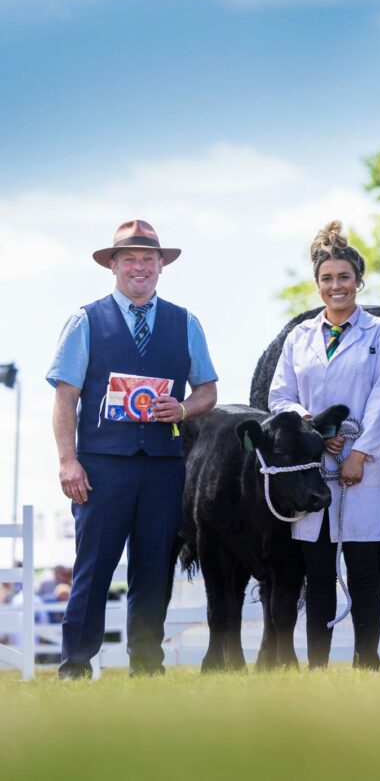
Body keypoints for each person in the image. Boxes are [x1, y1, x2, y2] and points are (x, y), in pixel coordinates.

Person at [47, 219, 218, 679]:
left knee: (153, 571)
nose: (139, 267)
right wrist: (68, 461)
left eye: (148, 258)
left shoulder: (186, 322)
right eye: (129, 259)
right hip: (101, 468)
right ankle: (74, 669)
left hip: (163, 467)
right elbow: (65, 397)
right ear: (113, 266)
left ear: (161, 265)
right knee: (93, 570)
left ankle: (146, 669)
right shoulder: (85, 321)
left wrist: (182, 409)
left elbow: (207, 391)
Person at [269, 220, 380, 670]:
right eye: (327, 278)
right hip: (311, 470)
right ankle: (319, 667)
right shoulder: (299, 338)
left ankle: (368, 661)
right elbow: (280, 397)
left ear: (358, 280)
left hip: (363, 467)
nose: (336, 286)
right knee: (318, 572)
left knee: (365, 571)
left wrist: (359, 455)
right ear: (317, 283)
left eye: (344, 276)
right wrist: (313, 428)